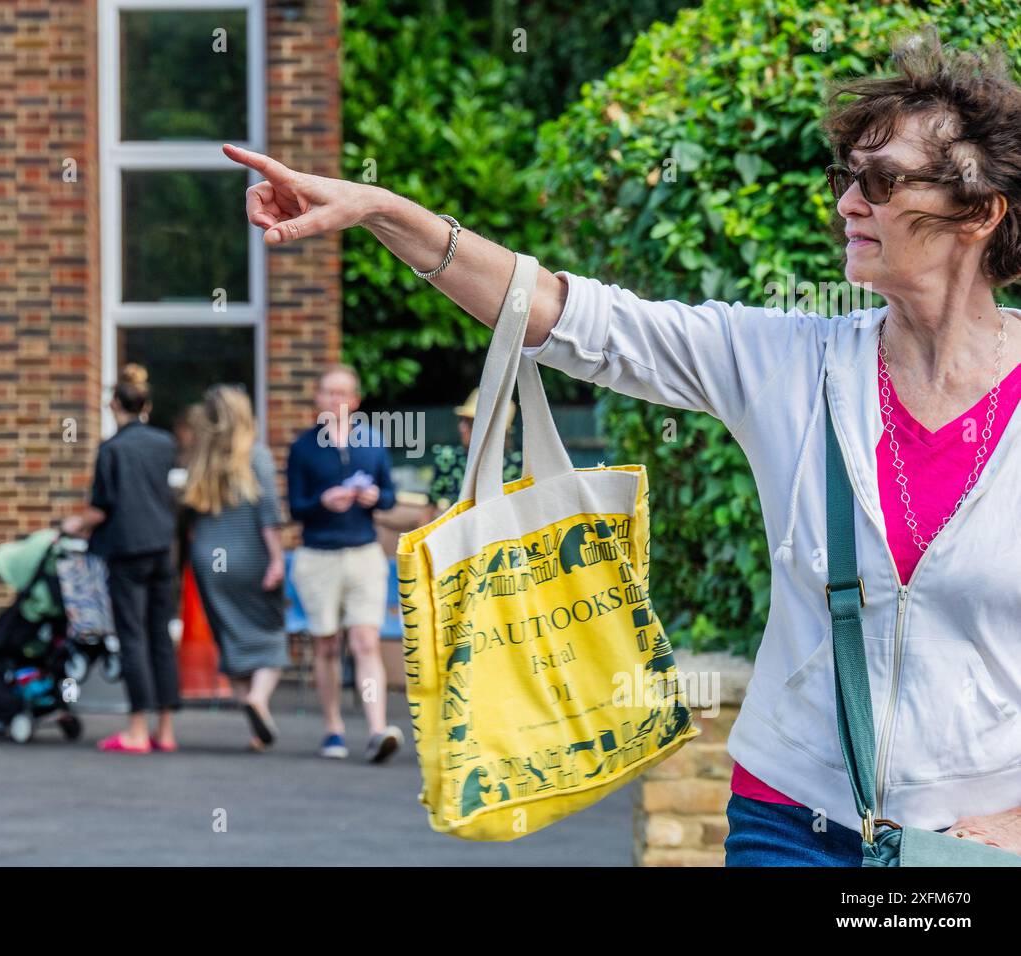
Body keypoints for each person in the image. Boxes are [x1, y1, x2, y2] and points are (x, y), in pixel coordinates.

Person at [225, 28, 1021, 862]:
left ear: (979, 211)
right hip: (795, 819)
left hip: (978, 844)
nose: (849, 203)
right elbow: (571, 318)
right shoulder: (793, 365)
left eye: (882, 181)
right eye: (845, 178)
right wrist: (387, 211)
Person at [287, 365, 404, 763]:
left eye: (343, 394)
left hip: (364, 553)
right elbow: (296, 509)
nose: (335, 401)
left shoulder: (373, 443)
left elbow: (389, 496)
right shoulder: (302, 448)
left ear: (355, 401)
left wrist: (375, 498)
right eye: (328, 393)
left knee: (366, 641)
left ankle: (376, 729)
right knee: (326, 644)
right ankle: (333, 728)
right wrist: (323, 501)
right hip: (318, 555)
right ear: (318, 399)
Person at [63, 364, 180, 754]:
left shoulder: (111, 450)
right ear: (146, 404)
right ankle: (164, 730)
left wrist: (73, 524)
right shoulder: (164, 443)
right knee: (160, 635)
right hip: (163, 549)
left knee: (133, 638)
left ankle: (135, 730)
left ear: (114, 404)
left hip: (127, 551)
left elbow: (102, 508)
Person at [182, 385, 289, 751]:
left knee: (231, 636)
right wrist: (277, 559)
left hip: (209, 560)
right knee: (271, 634)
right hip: (250, 556)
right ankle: (258, 698)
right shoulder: (255, 456)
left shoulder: (201, 458)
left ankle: (255, 726)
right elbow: (269, 514)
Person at [429, 387, 523, 514]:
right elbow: (430, 506)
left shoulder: (518, 466)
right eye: (462, 420)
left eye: (471, 423)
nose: (461, 428)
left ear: (496, 431)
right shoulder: (448, 458)